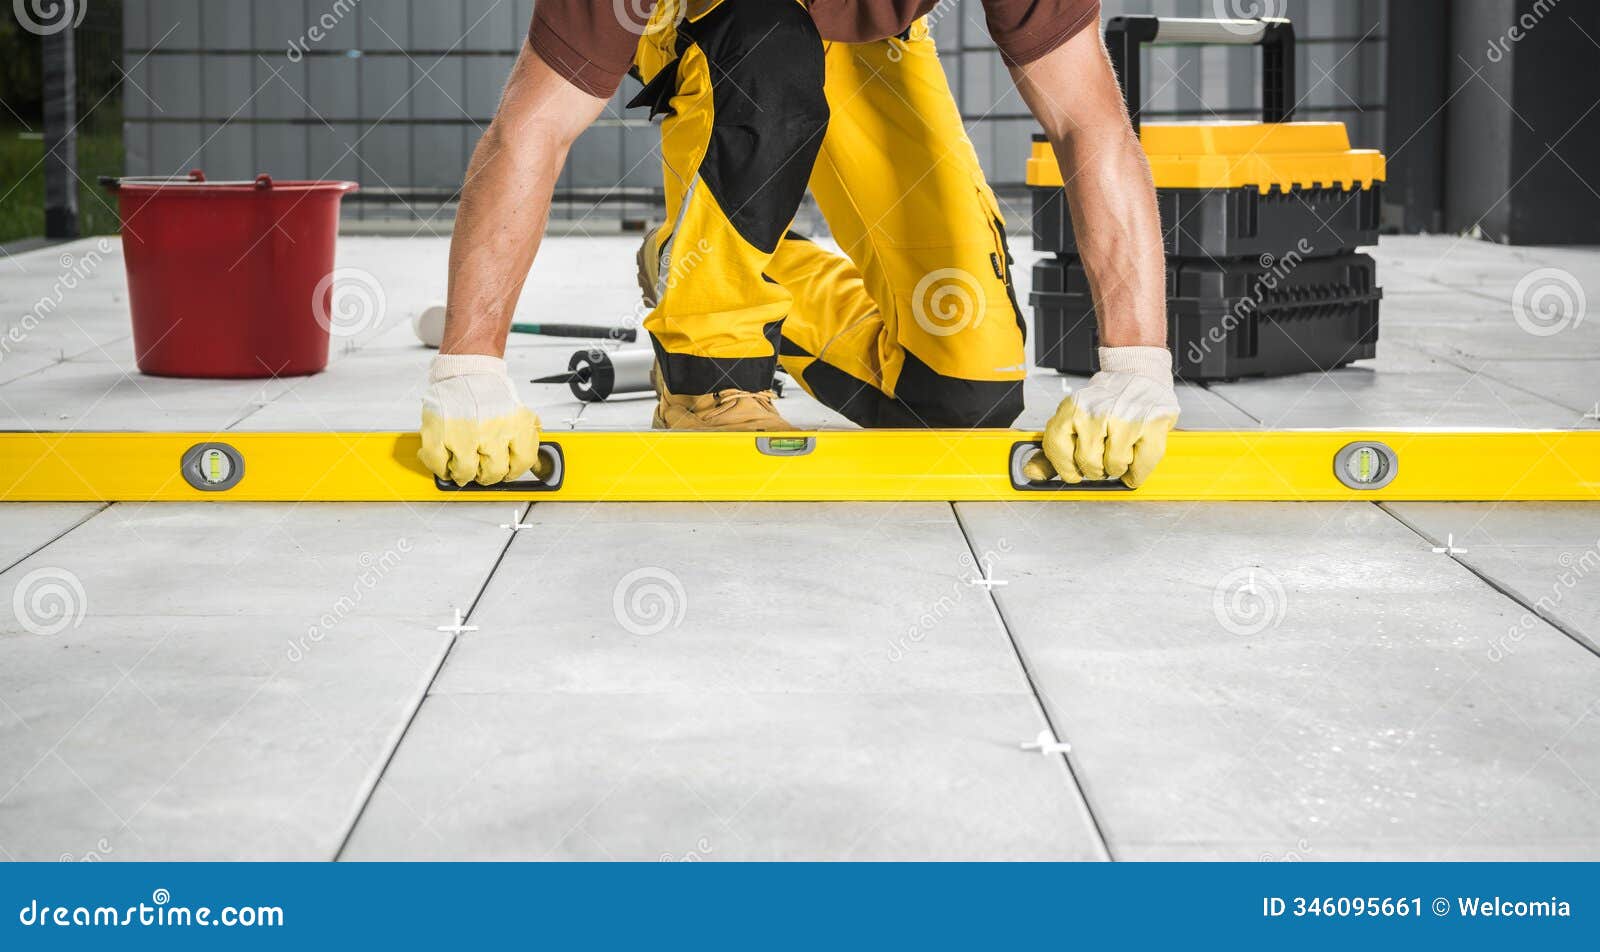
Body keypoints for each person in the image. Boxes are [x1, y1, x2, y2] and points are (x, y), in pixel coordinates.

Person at [419, 0, 1178, 489]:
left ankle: (688, 263)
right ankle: (706, 366)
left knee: (966, 389)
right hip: (719, 29)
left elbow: (1091, 121)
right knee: (770, 50)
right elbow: (533, 127)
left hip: (870, 39)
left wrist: (1137, 366)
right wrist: (470, 366)